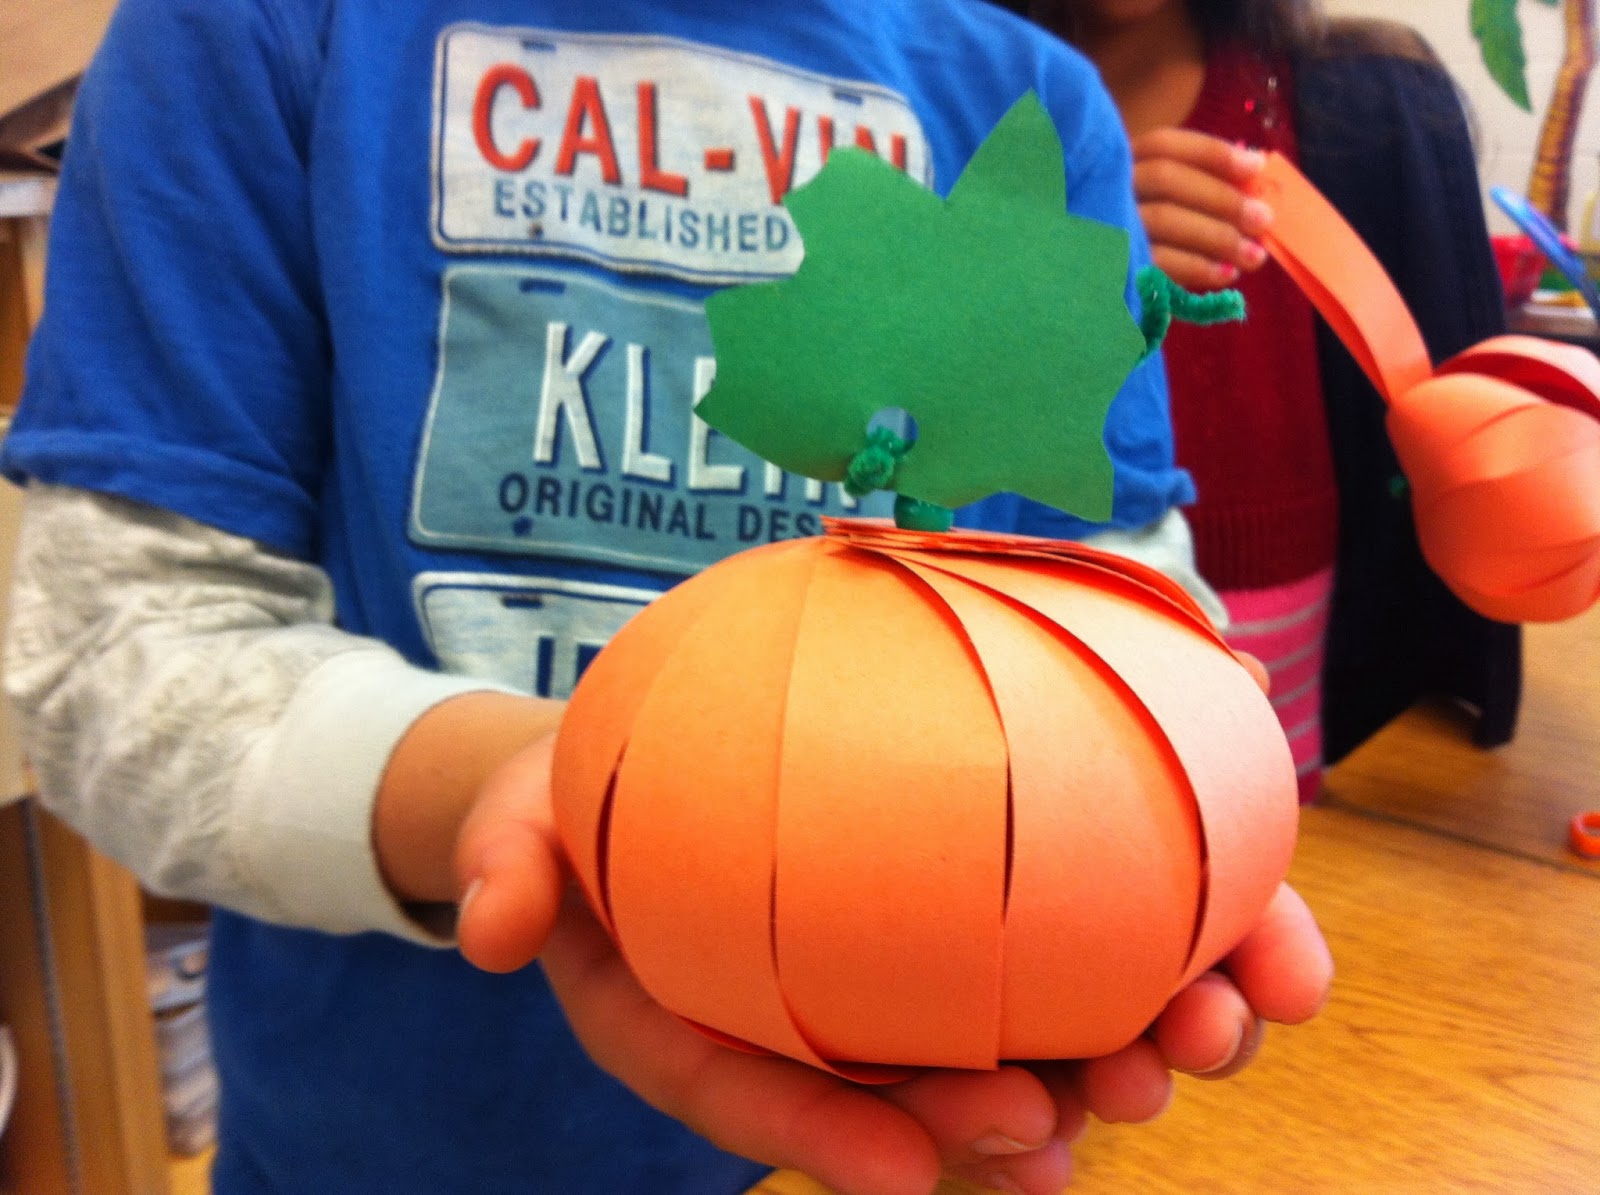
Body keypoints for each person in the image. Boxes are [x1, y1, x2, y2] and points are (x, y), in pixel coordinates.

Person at [0, 1, 1332, 1192]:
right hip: (390, 1133)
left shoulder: (1027, 100)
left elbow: (1130, 608)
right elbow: (123, 648)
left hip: (927, 1120)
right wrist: (543, 787)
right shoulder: (259, 31)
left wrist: (1149, 831)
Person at [1012, 0, 1522, 799]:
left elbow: (1478, 436)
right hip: (1006, 645)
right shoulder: (895, 104)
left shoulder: (1369, 101)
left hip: (1301, 660)